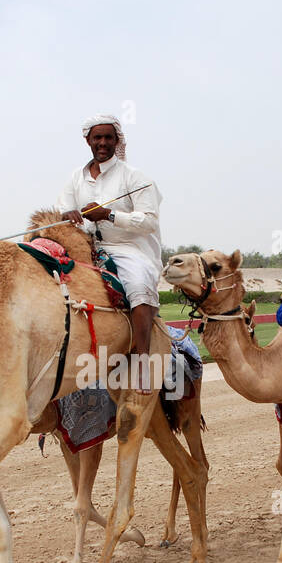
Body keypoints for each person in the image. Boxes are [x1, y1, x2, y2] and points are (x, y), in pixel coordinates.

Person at [58, 115, 162, 392]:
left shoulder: (135, 177)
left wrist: (109, 215)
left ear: (117, 141)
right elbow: (64, 209)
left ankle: (142, 364)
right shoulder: (75, 178)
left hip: (128, 249)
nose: (102, 143)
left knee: (139, 288)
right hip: (86, 247)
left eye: (108, 138)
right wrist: (68, 214)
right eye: (97, 138)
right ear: (88, 141)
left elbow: (149, 220)